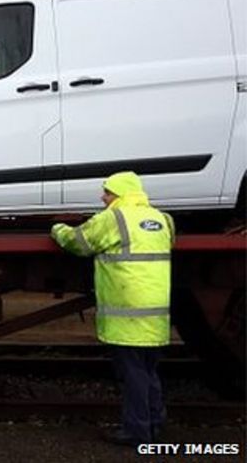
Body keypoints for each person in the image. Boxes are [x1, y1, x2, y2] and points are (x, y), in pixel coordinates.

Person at [51, 171, 174, 446]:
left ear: (119, 194)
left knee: (132, 375)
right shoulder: (162, 219)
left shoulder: (114, 218)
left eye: (106, 192)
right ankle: (155, 423)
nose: (102, 197)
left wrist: (57, 228)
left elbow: (78, 242)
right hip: (155, 313)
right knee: (148, 371)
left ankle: (137, 432)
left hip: (126, 315)